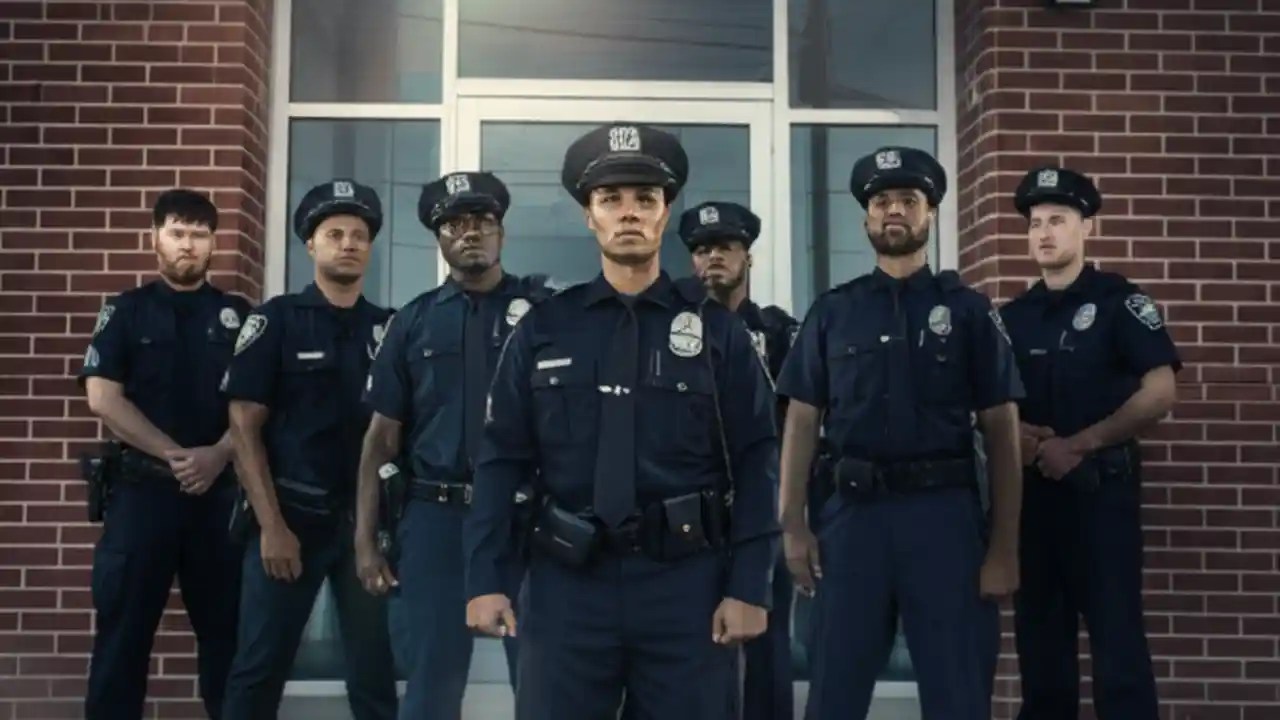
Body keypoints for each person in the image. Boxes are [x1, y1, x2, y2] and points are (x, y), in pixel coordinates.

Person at [463, 123, 780, 720]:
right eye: (611, 200)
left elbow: (759, 458)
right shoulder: (543, 329)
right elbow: (502, 458)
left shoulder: (718, 332)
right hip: (566, 585)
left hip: (687, 586)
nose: (628, 212)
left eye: (645, 199)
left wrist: (749, 585)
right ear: (590, 216)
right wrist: (486, 576)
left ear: (665, 213)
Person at [776, 146, 1023, 720]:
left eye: (908, 201)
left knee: (957, 694)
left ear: (930, 214)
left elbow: (1002, 429)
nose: (894, 210)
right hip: (852, 521)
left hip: (944, 522)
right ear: (865, 219)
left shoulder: (968, 312)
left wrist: (1004, 546)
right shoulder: (833, 313)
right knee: (834, 691)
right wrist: (793, 523)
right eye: (881, 201)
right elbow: (803, 418)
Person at [354, 171, 559, 718]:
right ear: (439, 239)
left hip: (527, 519)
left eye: (483, 221)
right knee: (432, 684)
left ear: (502, 233)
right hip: (435, 523)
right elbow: (380, 440)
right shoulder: (412, 322)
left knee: (544, 679)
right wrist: (365, 539)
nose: (471, 233)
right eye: (455, 224)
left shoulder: (548, 316)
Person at [1000, 166, 1178, 720]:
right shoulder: (1010, 318)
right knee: (1042, 655)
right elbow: (989, 408)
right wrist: (1024, 442)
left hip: (1103, 500)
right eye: (1035, 224)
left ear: (1086, 228)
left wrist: (1080, 444)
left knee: (1118, 652)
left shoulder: (1118, 301)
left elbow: (1161, 389)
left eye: (1058, 220)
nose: (1045, 233)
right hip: (1036, 505)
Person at [220, 179, 398, 719]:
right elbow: (244, 426)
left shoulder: (390, 329)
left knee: (374, 672)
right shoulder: (274, 320)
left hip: (363, 527)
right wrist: (272, 525)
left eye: (360, 235)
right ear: (311, 246)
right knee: (258, 668)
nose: (349, 243)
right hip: (289, 519)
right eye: (335, 233)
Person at [79, 189, 251, 720]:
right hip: (141, 495)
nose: (188, 245)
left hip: (217, 499)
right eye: (178, 233)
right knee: (121, 641)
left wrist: (220, 454)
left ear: (212, 244)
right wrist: (179, 456)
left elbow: (261, 405)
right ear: (155, 238)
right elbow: (103, 398)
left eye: (200, 235)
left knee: (229, 643)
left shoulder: (239, 315)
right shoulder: (125, 312)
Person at [679, 200, 799, 720]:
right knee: (689, 648)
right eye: (702, 250)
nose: (712, 259)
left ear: (747, 256)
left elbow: (804, 423)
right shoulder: (674, 333)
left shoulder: (779, 333)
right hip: (691, 514)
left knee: (767, 643)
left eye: (725, 247)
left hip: (760, 510)